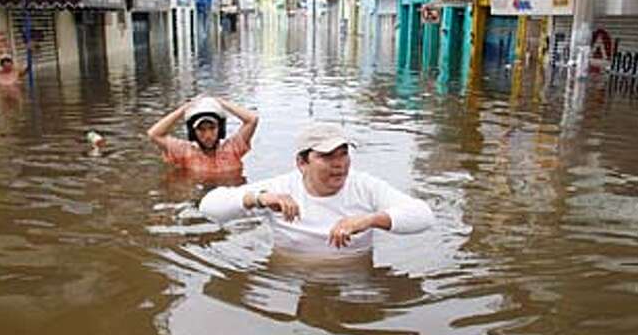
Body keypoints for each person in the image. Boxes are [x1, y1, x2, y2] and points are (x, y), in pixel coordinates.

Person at [198, 122, 433, 255]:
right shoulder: (281, 189)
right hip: (288, 279)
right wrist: (259, 199)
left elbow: (423, 216)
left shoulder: (364, 186)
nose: (339, 163)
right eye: (327, 156)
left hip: (353, 282)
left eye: (343, 154)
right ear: (302, 163)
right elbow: (209, 207)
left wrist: (368, 220)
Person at [147, 95, 258, 175]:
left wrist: (221, 102)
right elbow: (154, 134)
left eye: (212, 128)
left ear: (220, 129)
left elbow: (252, 119)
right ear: (193, 132)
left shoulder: (233, 149)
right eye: (201, 130)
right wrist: (183, 109)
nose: (208, 135)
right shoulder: (185, 152)